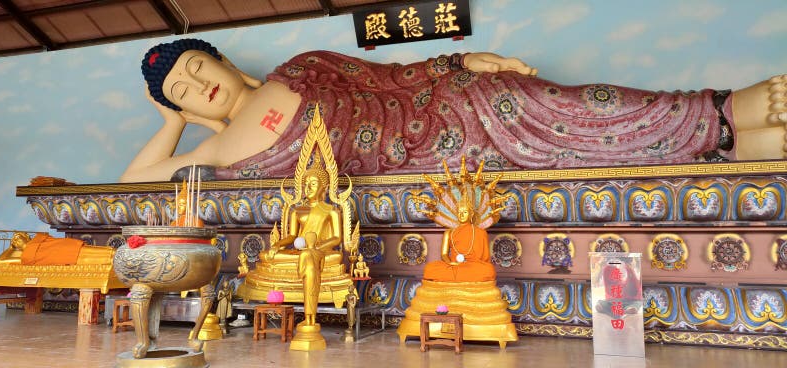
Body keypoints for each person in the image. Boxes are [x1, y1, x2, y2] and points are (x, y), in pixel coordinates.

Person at [120, 39, 786, 183]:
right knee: (564, 154)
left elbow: (392, 74)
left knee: (566, 105)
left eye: (198, 67)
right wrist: (173, 123)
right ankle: (732, 145)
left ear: (225, 63)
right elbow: (131, 183)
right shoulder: (213, 152)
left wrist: (465, 61)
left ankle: (720, 111)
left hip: (449, 104)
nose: (198, 85)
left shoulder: (302, 67)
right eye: (182, 90)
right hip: (430, 164)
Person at [263, 152, 343, 266]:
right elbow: (292, 236)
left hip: (320, 252)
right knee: (266, 255)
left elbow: (337, 238)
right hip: (300, 252)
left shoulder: (332, 210)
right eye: (306, 184)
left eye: (313, 184)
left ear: (324, 188)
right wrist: (277, 245)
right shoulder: (297, 211)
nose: (308, 188)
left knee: (336, 257)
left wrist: (316, 247)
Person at [422, 192, 496, 282]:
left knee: (489, 270)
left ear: (471, 214)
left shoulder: (480, 232)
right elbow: (444, 254)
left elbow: (485, 260)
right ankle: (461, 276)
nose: (461, 215)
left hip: (473, 266)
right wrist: (450, 263)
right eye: (459, 212)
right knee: (429, 268)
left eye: (465, 212)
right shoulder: (449, 232)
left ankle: (457, 277)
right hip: (454, 265)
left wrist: (469, 264)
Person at [0, 232, 114, 266]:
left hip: (66, 246)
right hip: (62, 258)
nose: (15, 241)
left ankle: (115, 253)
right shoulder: (26, 257)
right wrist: (10, 248)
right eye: (13, 242)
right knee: (94, 259)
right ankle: (114, 259)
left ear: (27, 237)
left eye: (17, 237)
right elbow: (1, 261)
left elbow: (54, 242)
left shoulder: (39, 238)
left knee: (92, 250)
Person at [298, 232, 324, 326]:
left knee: (308, 296)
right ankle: (313, 319)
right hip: (317, 275)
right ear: (316, 240)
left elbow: (300, 270)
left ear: (306, 241)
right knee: (314, 296)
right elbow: (321, 268)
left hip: (308, 275)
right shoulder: (321, 253)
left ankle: (307, 319)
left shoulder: (304, 253)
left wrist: (301, 274)